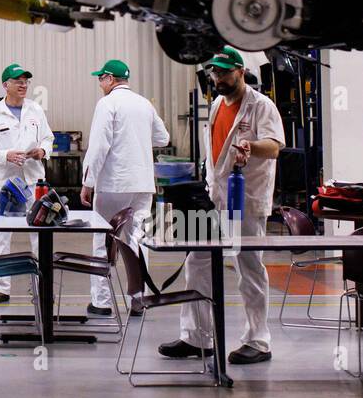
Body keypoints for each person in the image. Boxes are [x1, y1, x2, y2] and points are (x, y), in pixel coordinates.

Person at [159, 46, 285, 365]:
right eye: (215, 73)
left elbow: (273, 148)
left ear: (240, 72)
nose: (219, 78)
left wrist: (250, 146)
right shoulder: (216, 104)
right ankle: (198, 337)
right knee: (197, 262)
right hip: (213, 197)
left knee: (249, 267)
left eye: (225, 73)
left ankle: (258, 341)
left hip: (246, 200)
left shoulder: (261, 106)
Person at [79, 59, 170, 316]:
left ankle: (101, 302)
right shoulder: (144, 104)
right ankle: (138, 299)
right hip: (142, 184)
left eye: (100, 79)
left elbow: (98, 146)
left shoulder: (108, 103)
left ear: (110, 78)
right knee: (135, 238)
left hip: (113, 184)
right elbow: (163, 137)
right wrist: (137, 137)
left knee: (103, 239)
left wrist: (88, 182)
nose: (99, 84)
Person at [0, 62, 54, 304]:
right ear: (5, 85)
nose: (23, 85)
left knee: (39, 234)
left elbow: (48, 138)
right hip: (5, 184)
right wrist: (4, 155)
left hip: (33, 181)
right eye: (18, 81)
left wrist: (43, 150)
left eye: (26, 81)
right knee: (1, 234)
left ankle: (41, 285)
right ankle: (0, 288)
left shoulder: (35, 110)